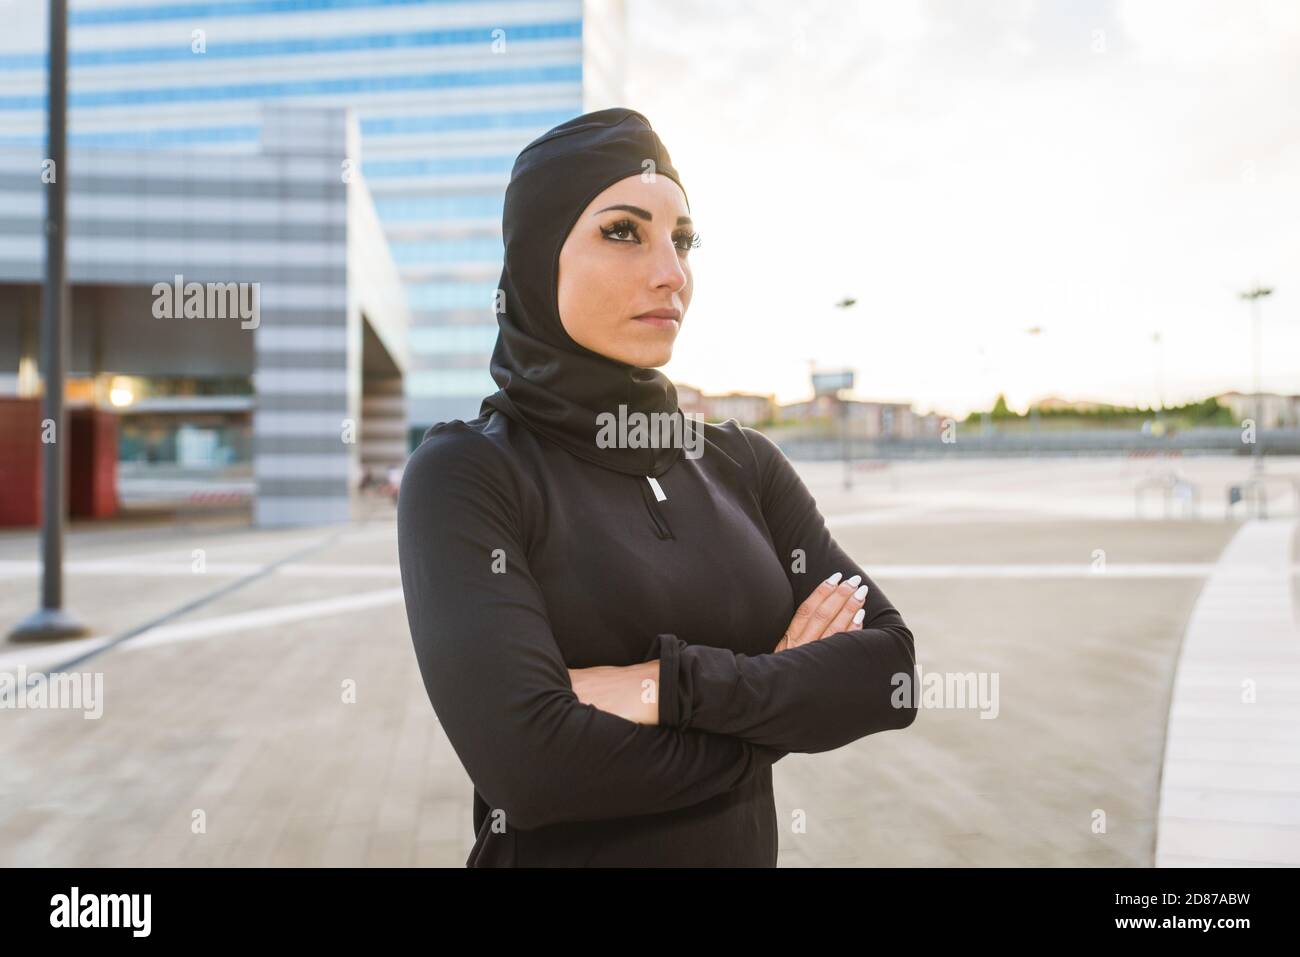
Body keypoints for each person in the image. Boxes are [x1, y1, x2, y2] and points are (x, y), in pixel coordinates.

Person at [397, 108, 918, 867]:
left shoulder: (742, 460)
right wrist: (779, 708)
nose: (671, 273)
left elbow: (892, 672)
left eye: (682, 240)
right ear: (542, 259)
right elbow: (534, 769)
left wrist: (663, 687)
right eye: (622, 231)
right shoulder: (467, 473)